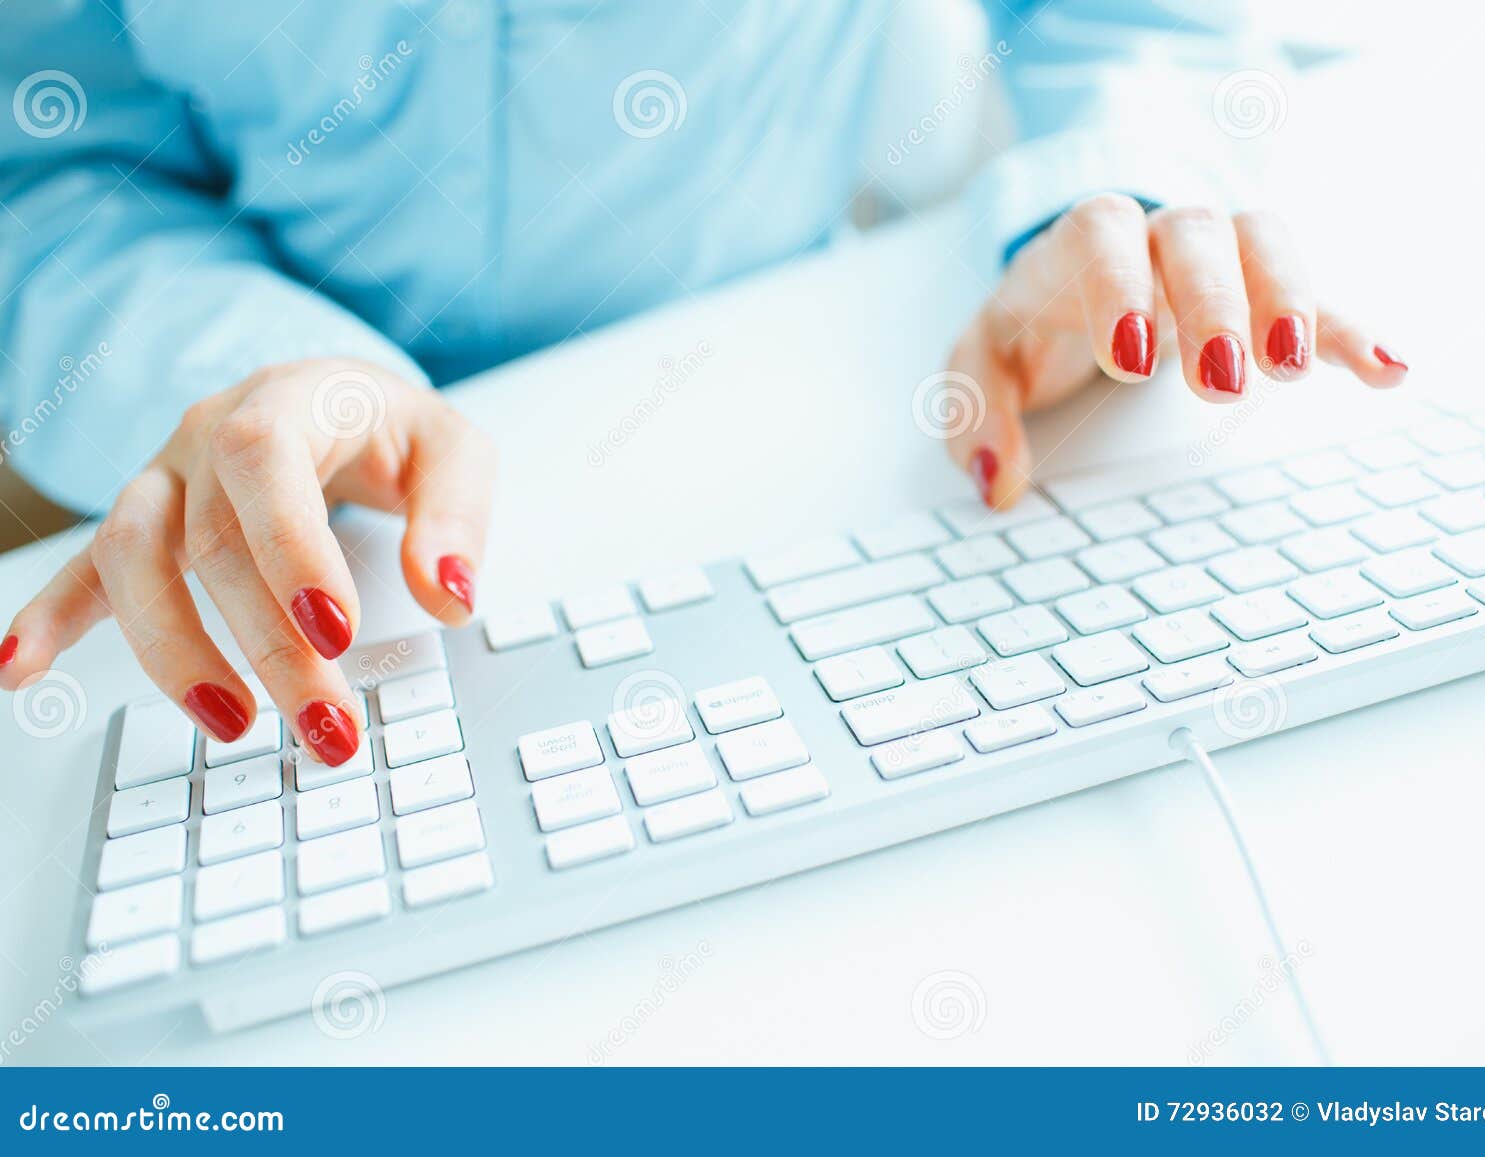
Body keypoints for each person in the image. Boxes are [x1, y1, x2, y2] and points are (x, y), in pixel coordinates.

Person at [0, 1, 1405, 765]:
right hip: (332, 524)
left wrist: (1116, 188)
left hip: (776, 420)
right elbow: (55, 162)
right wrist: (247, 370)